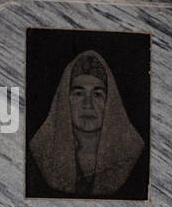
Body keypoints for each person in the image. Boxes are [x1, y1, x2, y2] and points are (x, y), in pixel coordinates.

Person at [29, 50, 146, 197]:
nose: (87, 105)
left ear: (110, 103)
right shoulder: (42, 148)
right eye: (78, 94)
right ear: (65, 100)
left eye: (97, 94)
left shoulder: (130, 151)